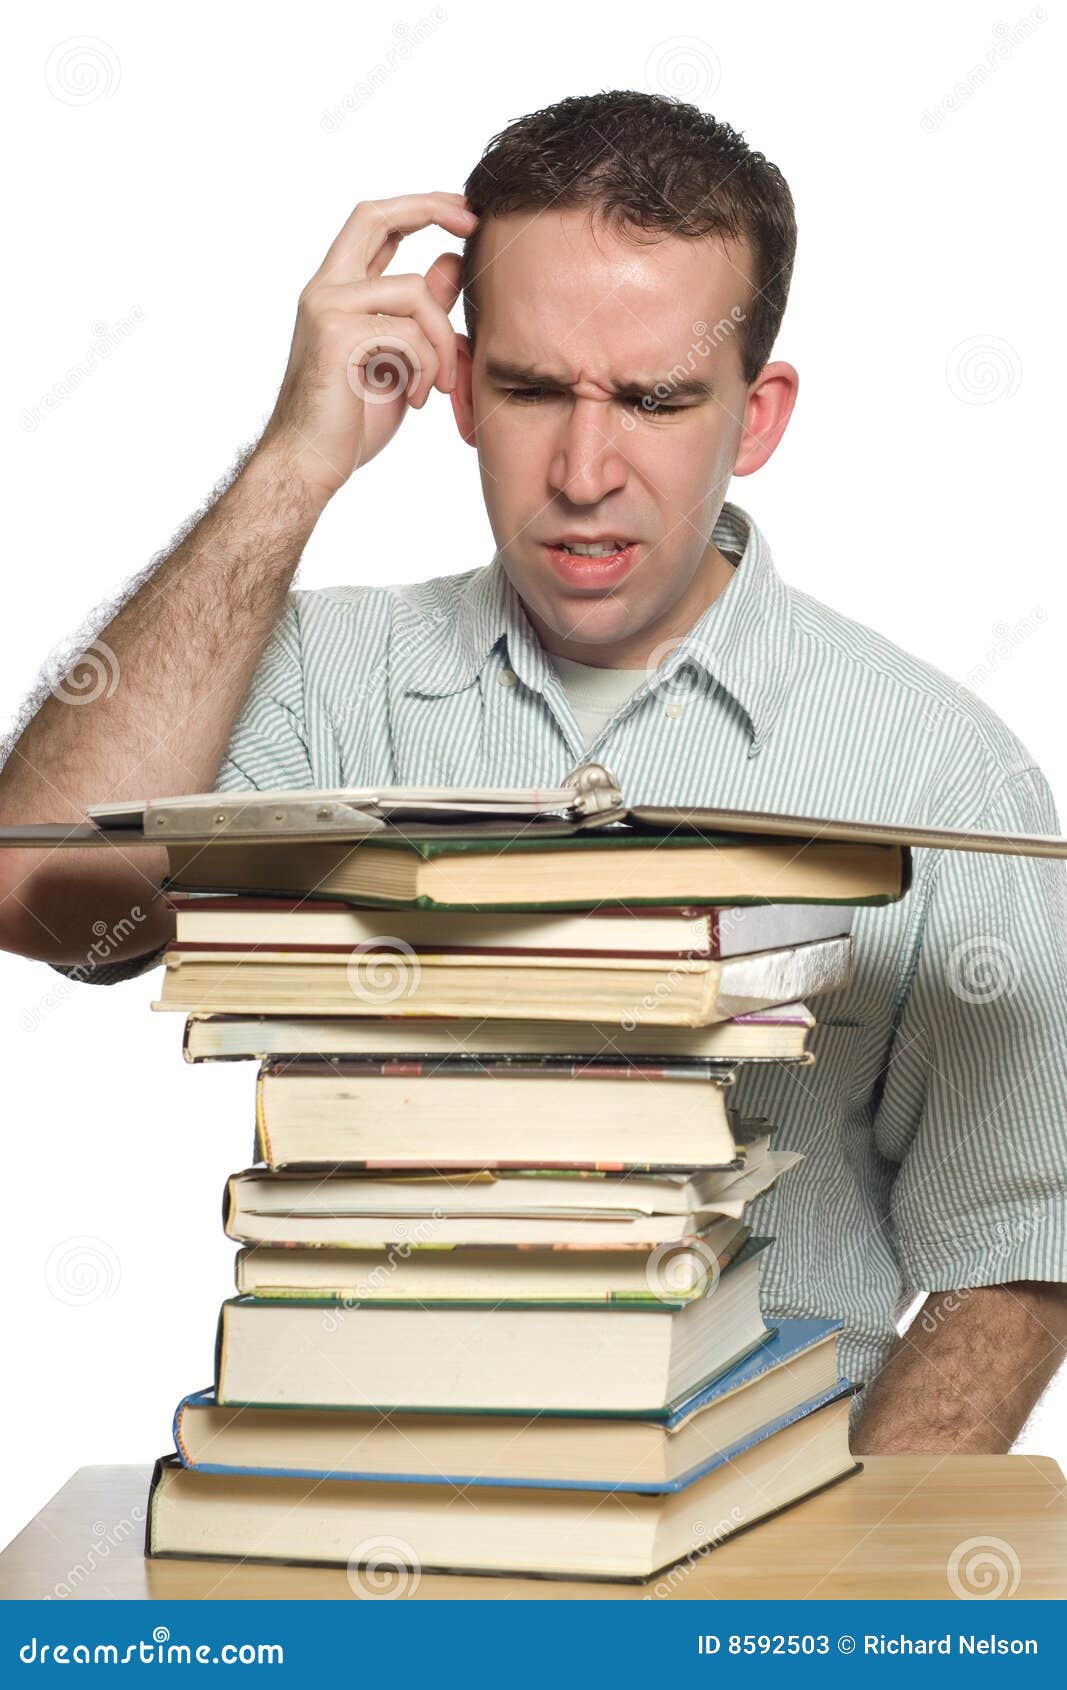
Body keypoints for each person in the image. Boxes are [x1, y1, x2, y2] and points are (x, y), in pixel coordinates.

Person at [1, 91, 1064, 1454]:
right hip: (349, 1540)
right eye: (529, 388)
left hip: (756, 1564)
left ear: (757, 416)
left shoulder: (943, 766)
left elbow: (1016, 1245)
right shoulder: (322, 679)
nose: (581, 469)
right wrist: (294, 461)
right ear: (455, 383)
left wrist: (830, 1604)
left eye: (657, 399)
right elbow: (44, 896)